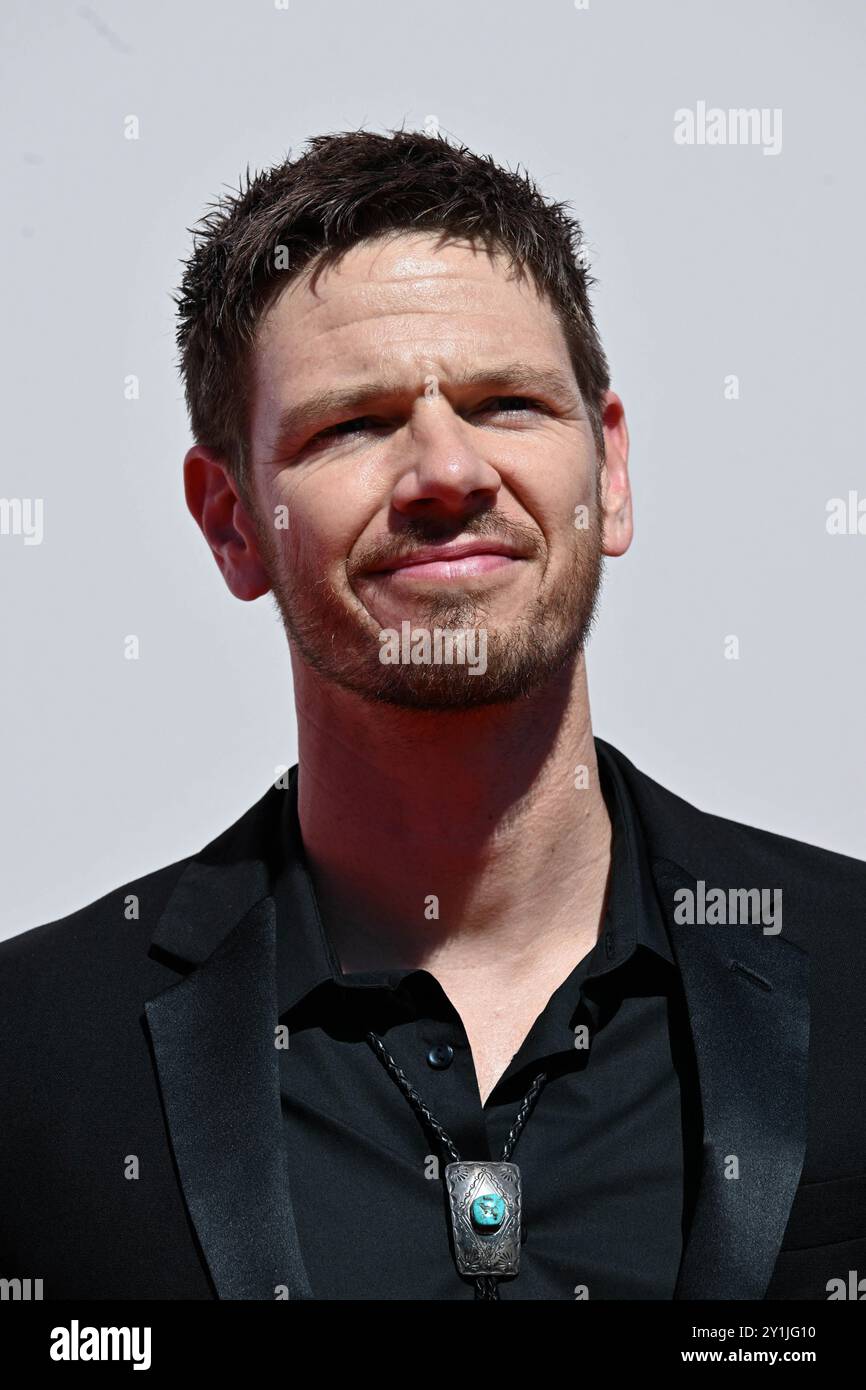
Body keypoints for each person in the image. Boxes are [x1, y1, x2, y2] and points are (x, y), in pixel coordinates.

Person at [2, 130, 864, 1301]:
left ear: (607, 474)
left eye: (506, 403)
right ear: (232, 522)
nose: (445, 472)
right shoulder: (36, 1052)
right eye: (350, 424)